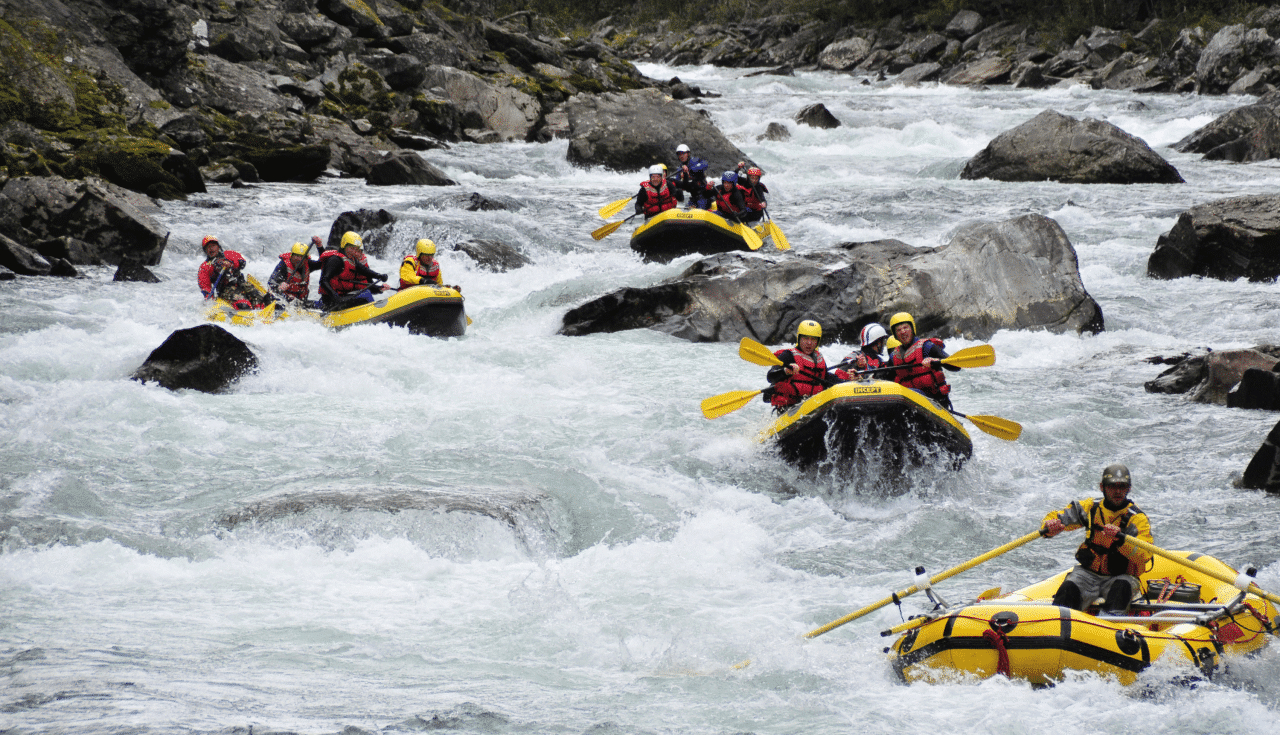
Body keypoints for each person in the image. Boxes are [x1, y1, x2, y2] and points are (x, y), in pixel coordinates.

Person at [1041, 463, 1153, 615]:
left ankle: (1108, 627)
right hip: (1088, 574)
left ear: (1129, 488)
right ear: (1102, 487)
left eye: (1122, 486)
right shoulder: (1090, 508)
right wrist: (1050, 525)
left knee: (1122, 588)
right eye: (1112, 486)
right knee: (1068, 589)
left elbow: (1145, 554)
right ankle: (1058, 625)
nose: (1118, 491)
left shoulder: (1137, 518)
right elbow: (1058, 517)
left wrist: (1121, 541)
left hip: (1121, 576)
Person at [762, 320, 851, 412]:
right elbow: (770, 377)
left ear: (818, 340)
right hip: (789, 409)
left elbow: (826, 378)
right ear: (799, 338)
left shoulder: (818, 358)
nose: (809, 343)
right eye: (806, 338)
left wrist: (849, 381)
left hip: (812, 406)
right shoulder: (788, 355)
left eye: (813, 339)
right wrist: (785, 371)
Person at [886, 311, 957, 410]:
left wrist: (935, 360)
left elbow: (956, 366)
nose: (902, 331)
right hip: (909, 404)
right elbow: (883, 379)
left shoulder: (927, 347)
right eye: (898, 330)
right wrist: (859, 376)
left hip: (935, 403)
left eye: (905, 327)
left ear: (912, 329)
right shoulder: (894, 357)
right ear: (895, 334)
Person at [318, 231, 388, 310]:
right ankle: (374, 313)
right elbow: (323, 281)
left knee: (365, 293)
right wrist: (335, 297)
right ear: (345, 246)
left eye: (356, 248)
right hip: (331, 301)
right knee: (366, 294)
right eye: (352, 247)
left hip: (342, 297)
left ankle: (371, 312)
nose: (354, 250)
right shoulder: (335, 260)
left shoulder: (352, 260)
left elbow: (364, 270)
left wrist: (379, 276)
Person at [267, 236, 323, 303]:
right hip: (284, 300)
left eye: (302, 256)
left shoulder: (307, 263)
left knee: (321, 305)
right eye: (297, 255)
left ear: (306, 258)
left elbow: (323, 263)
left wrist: (319, 246)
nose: (299, 259)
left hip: (300, 302)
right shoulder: (283, 265)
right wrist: (278, 288)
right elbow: (271, 284)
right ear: (292, 255)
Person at [197, 235, 247, 300]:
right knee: (243, 304)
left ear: (218, 247)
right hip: (226, 291)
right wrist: (210, 300)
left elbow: (242, 262)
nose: (211, 249)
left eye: (213, 246)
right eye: (208, 247)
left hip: (241, 283)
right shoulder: (204, 267)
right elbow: (205, 288)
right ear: (205, 251)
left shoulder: (229, 254)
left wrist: (231, 265)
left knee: (256, 296)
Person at [671, 143, 711, 210]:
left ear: (688, 154)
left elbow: (705, 165)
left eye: (683, 153)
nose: (681, 156)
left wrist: (690, 170)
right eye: (679, 154)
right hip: (693, 197)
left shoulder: (695, 161)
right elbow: (678, 183)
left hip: (703, 196)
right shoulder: (680, 169)